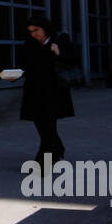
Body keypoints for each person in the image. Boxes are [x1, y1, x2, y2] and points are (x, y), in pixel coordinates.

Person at [17, 14, 75, 166]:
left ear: (45, 28)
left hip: (54, 91)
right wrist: (15, 75)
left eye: (36, 30)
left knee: (48, 127)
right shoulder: (29, 43)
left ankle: (43, 163)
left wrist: (58, 53)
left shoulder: (60, 40)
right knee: (42, 126)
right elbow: (24, 65)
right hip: (34, 90)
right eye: (30, 31)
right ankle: (58, 149)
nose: (34, 34)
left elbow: (72, 62)